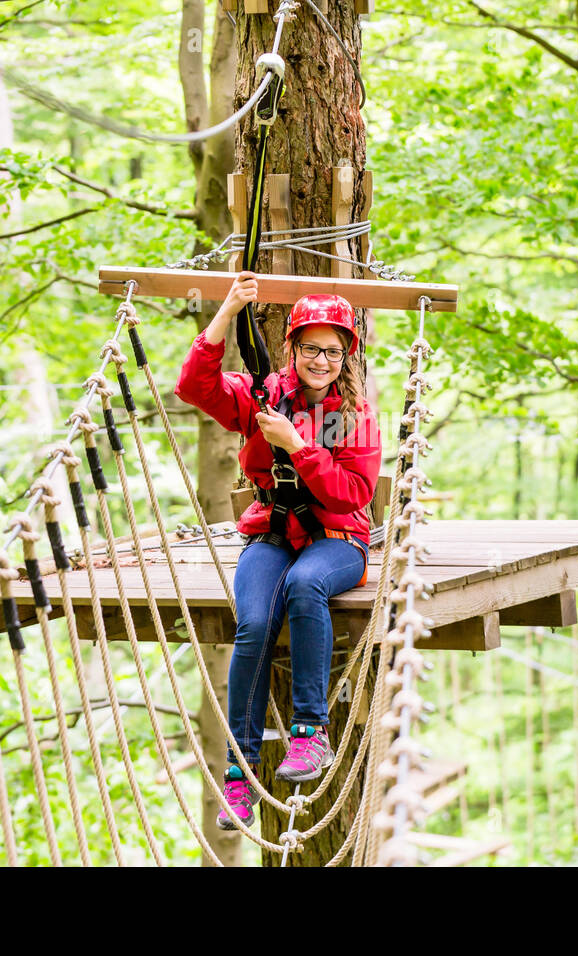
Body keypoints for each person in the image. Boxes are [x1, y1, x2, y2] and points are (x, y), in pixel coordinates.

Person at [174, 272, 382, 831]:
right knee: (256, 620)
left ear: (347, 357)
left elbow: (354, 493)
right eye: (311, 348)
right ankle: (240, 775)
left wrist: (300, 445)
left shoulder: (352, 413)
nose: (321, 360)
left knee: (304, 585)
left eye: (333, 351)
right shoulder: (263, 395)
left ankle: (310, 733)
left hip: (337, 539)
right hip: (272, 531)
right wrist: (227, 310)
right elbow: (194, 386)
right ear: (291, 347)